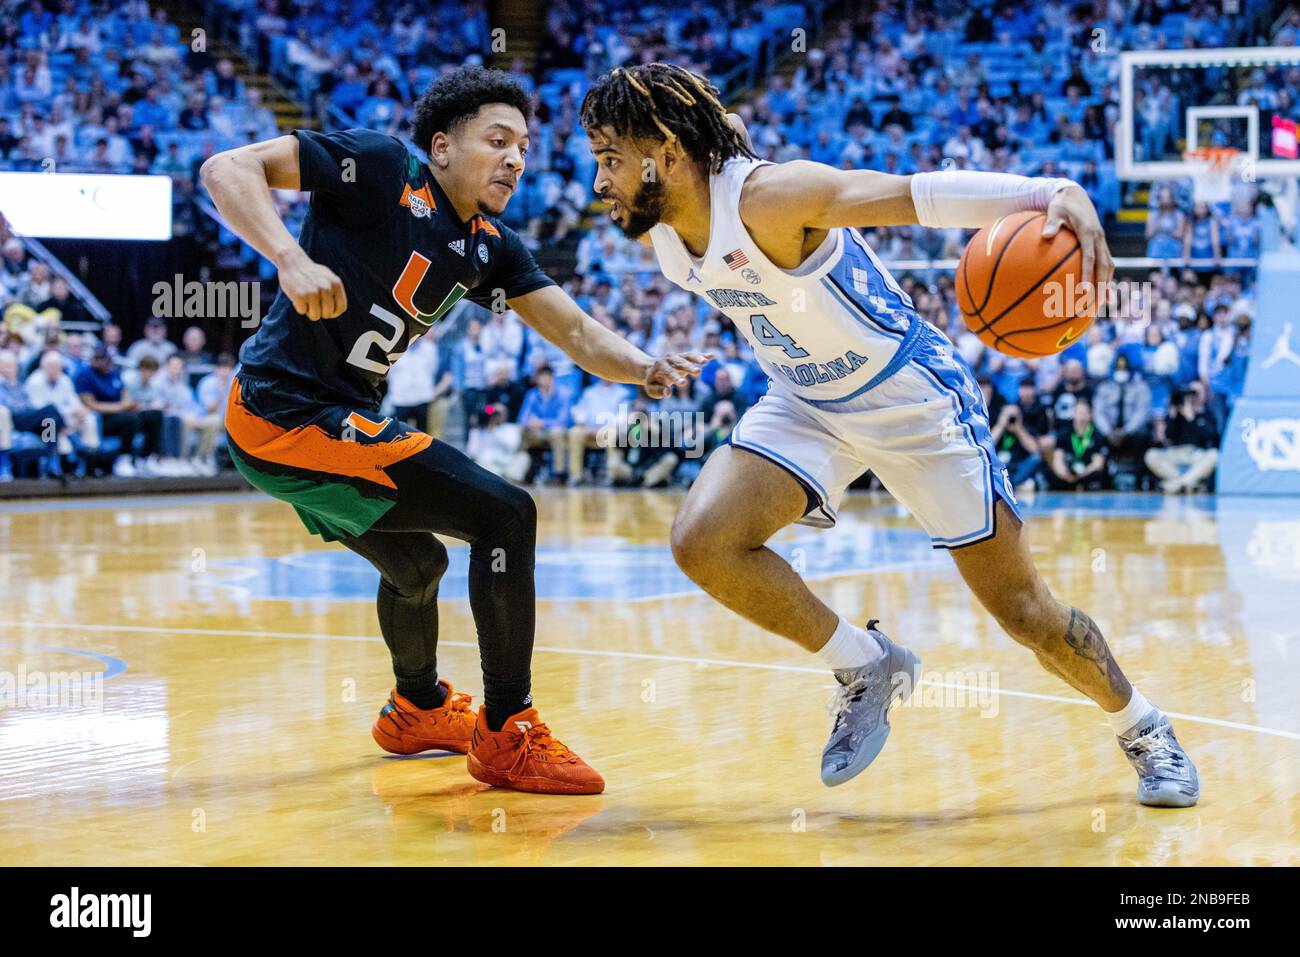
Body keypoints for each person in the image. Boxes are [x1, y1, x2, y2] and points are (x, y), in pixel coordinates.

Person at [580, 62, 1197, 806]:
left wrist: (1048, 193)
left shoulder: (775, 197)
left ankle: (1145, 727)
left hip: (910, 398)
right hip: (805, 399)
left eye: (611, 159)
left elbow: (914, 195)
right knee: (701, 539)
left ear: (667, 153)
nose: (598, 182)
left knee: (1025, 611)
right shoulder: (665, 230)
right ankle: (867, 662)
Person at [202, 66, 704, 795]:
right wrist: (290, 257)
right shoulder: (378, 165)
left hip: (333, 419)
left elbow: (576, 332)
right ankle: (507, 731)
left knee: (419, 567)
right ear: (441, 147)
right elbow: (228, 167)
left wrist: (647, 368)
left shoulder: (489, 246)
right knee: (505, 512)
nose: (516, 159)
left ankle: (417, 707)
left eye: (524, 147)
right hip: (285, 411)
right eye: (497, 140)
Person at [1144, 382, 1221, 493]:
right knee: (1151, 455)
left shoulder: (1207, 413)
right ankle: (1187, 482)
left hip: (1195, 453)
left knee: (1214, 455)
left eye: (1196, 393)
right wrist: (1172, 415)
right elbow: (1168, 436)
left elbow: (1208, 437)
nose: (1193, 397)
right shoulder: (1176, 412)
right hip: (1174, 452)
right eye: (1190, 393)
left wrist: (1192, 418)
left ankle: (1178, 484)